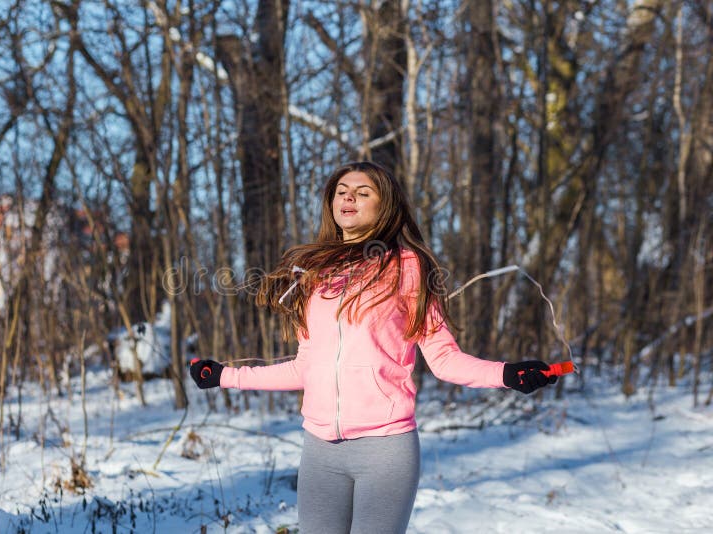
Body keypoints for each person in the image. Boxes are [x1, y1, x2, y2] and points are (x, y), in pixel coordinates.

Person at [190, 161, 558, 533]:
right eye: (341, 191)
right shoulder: (312, 274)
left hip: (385, 450)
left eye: (363, 192)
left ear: (385, 206)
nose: (348, 197)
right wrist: (226, 376)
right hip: (319, 450)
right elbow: (306, 367)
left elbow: (444, 359)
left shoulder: (408, 268)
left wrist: (507, 374)